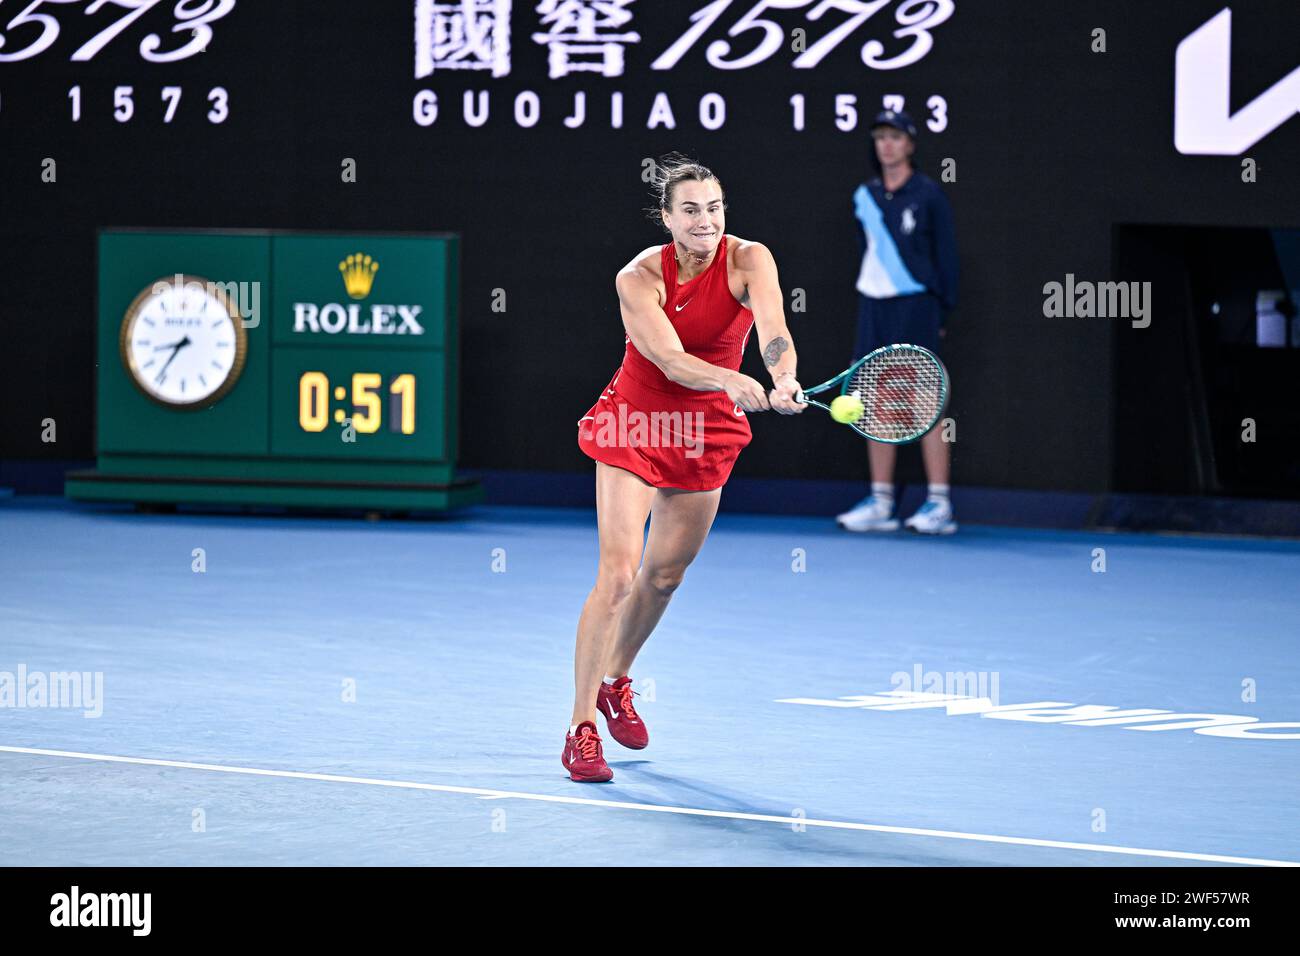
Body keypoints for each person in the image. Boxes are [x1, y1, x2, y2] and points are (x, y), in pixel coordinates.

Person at [566, 156, 805, 782]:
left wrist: (782, 377)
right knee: (618, 575)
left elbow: (774, 330)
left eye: (715, 207)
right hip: (637, 423)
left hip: (706, 430)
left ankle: (615, 679)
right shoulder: (638, 277)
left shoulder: (752, 259)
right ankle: (580, 729)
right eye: (691, 210)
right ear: (667, 218)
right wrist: (733, 380)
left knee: (665, 574)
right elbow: (671, 361)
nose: (706, 220)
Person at [836, 109, 959, 535]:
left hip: (917, 304)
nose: (886, 144)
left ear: (909, 144)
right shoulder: (864, 195)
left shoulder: (928, 195)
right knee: (876, 397)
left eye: (894, 136)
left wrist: (942, 309)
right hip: (874, 305)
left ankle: (939, 504)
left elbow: (946, 257)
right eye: (880, 136)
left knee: (926, 399)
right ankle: (882, 502)